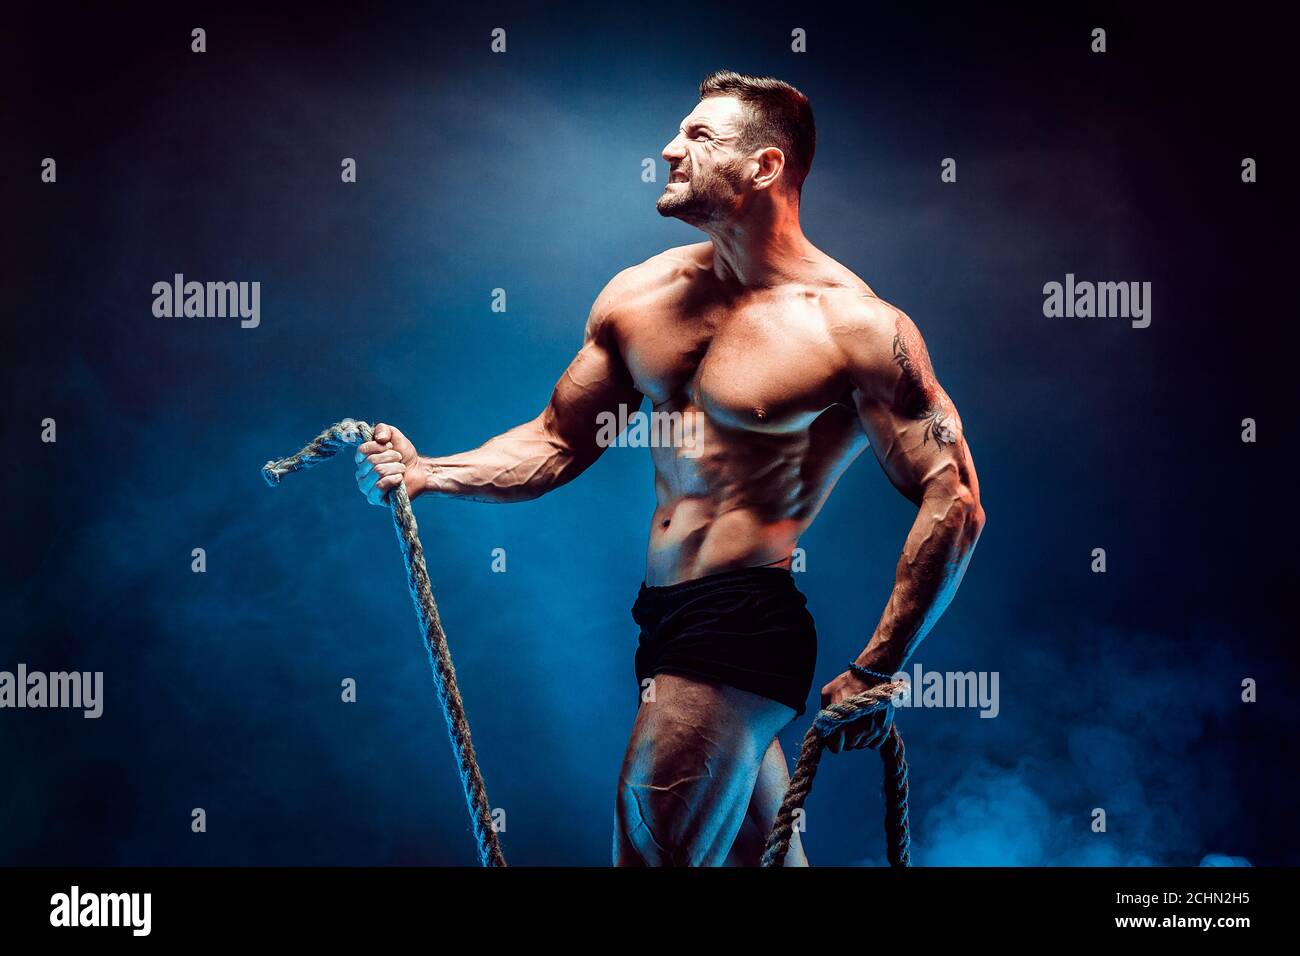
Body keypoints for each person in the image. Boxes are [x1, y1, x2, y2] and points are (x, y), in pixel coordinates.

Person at [355, 70, 986, 866]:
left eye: (698, 136)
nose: (668, 149)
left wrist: (877, 667)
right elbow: (556, 439)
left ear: (763, 167)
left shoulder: (854, 327)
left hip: (743, 622)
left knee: (649, 847)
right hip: (661, 620)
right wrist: (430, 472)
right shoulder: (642, 295)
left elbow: (954, 499)